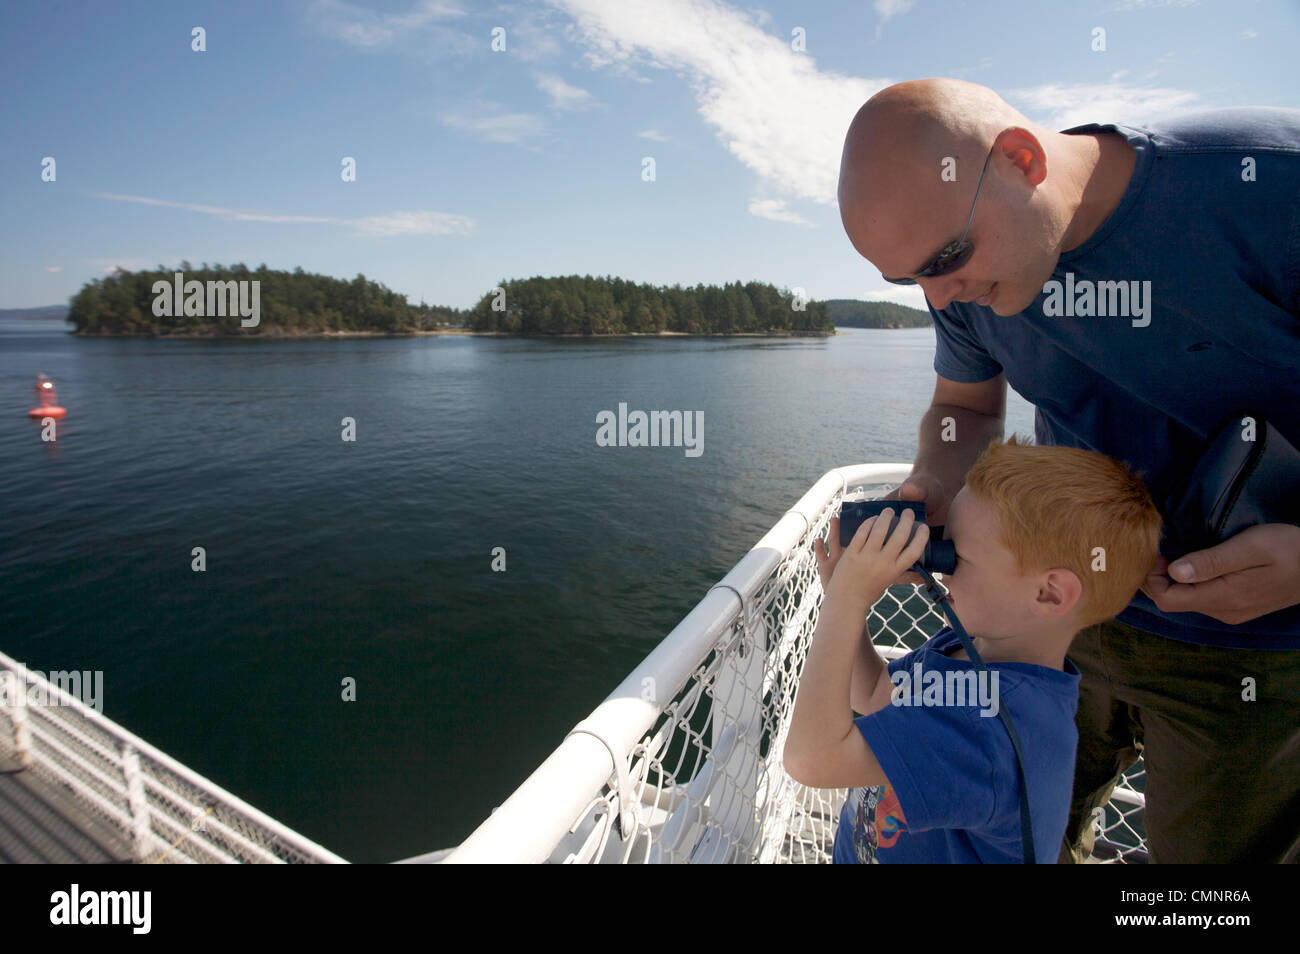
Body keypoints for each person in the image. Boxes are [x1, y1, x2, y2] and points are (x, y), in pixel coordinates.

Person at [836, 77, 1300, 863]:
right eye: (906, 280)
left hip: (1249, 656)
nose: (940, 296)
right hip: (1055, 631)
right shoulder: (958, 279)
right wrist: (937, 478)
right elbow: (967, 409)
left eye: (946, 259)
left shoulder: (1266, 188)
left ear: (1021, 159)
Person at [783, 437, 1162, 863]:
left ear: (1050, 594)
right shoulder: (971, 649)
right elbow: (872, 694)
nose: (941, 567)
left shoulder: (996, 731)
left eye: (957, 556)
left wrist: (846, 601)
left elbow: (811, 758)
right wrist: (841, 591)